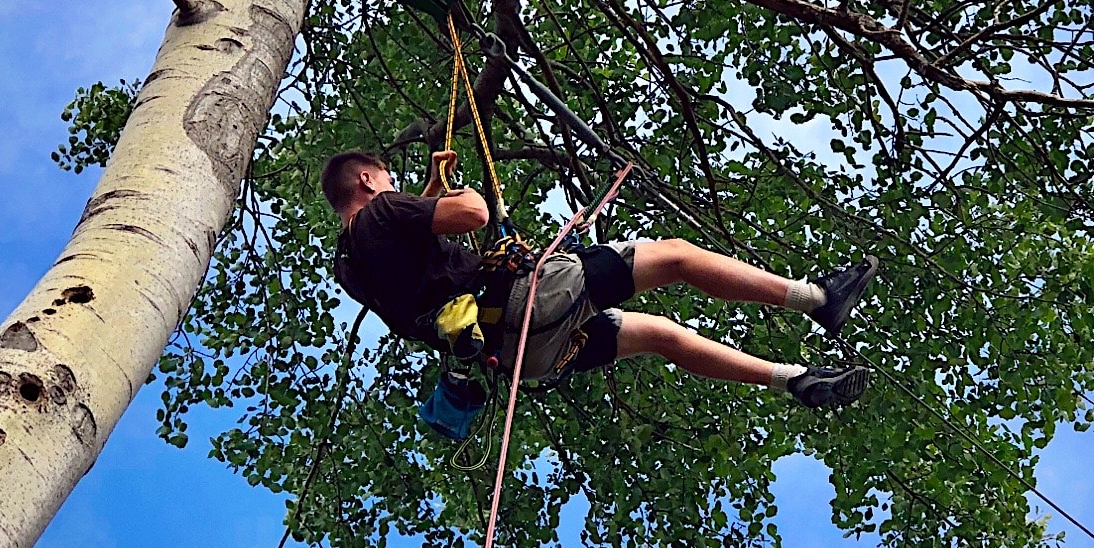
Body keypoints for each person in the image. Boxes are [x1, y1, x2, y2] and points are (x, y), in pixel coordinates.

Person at [322, 149, 877, 423]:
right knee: (676, 257)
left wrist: (426, 192)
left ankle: (796, 381)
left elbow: (424, 265)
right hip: (529, 298)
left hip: (520, 355)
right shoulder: (384, 211)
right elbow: (473, 214)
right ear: (369, 180)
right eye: (389, 181)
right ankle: (818, 300)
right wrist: (458, 193)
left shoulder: (353, 268)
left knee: (662, 336)